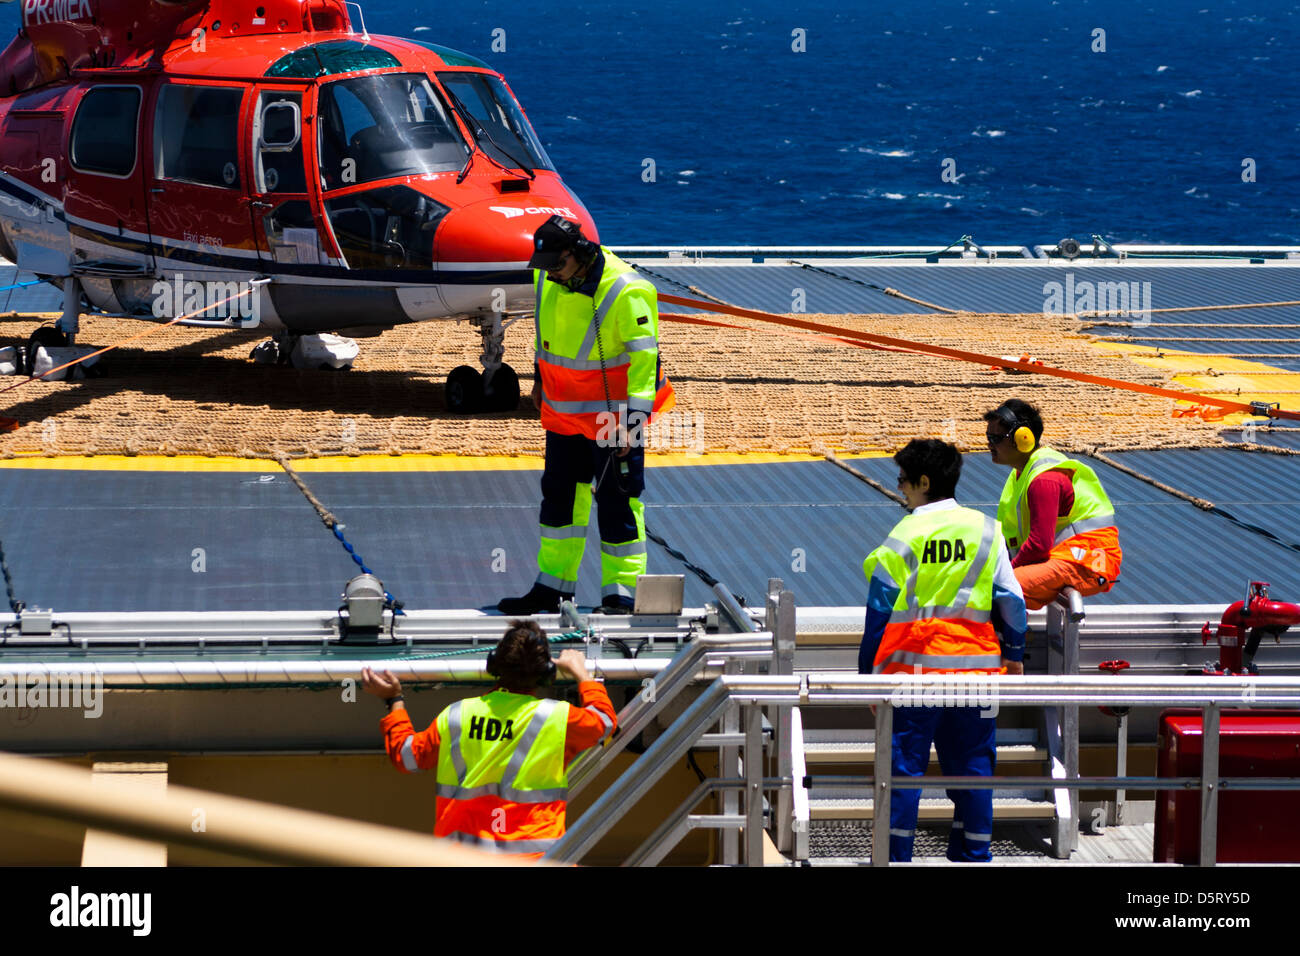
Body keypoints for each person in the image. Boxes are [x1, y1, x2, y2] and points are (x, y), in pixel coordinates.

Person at [858, 439, 1027, 862]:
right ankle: (973, 854)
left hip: (913, 677)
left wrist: (866, 677)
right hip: (976, 676)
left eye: (903, 482)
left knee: (903, 772)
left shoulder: (905, 534)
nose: (900, 490)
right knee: (973, 767)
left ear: (924, 482)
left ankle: (896, 856)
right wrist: (1015, 654)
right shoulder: (987, 530)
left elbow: (878, 613)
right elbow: (1012, 601)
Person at [498, 215, 674, 615]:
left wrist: (632, 426)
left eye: (558, 266)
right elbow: (546, 332)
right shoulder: (549, 276)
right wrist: (540, 379)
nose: (551, 275)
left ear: (578, 253)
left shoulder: (627, 290)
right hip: (563, 414)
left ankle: (621, 595)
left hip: (613, 420)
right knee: (558, 503)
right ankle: (553, 588)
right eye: (545, 267)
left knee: (618, 506)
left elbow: (645, 365)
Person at [361, 619, 616, 858]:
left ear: (494, 664)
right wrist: (582, 674)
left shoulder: (457, 715)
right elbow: (604, 722)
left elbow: (407, 757)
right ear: (547, 672)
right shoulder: (559, 717)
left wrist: (394, 699)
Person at [983, 398, 1123, 610]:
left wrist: (1006, 571)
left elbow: (1039, 545)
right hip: (1067, 559)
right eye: (988, 436)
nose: (989, 444)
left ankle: (1009, 642)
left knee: (1000, 589)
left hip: (1089, 563)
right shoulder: (1022, 474)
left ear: (1023, 439)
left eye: (996, 438)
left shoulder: (1044, 479)